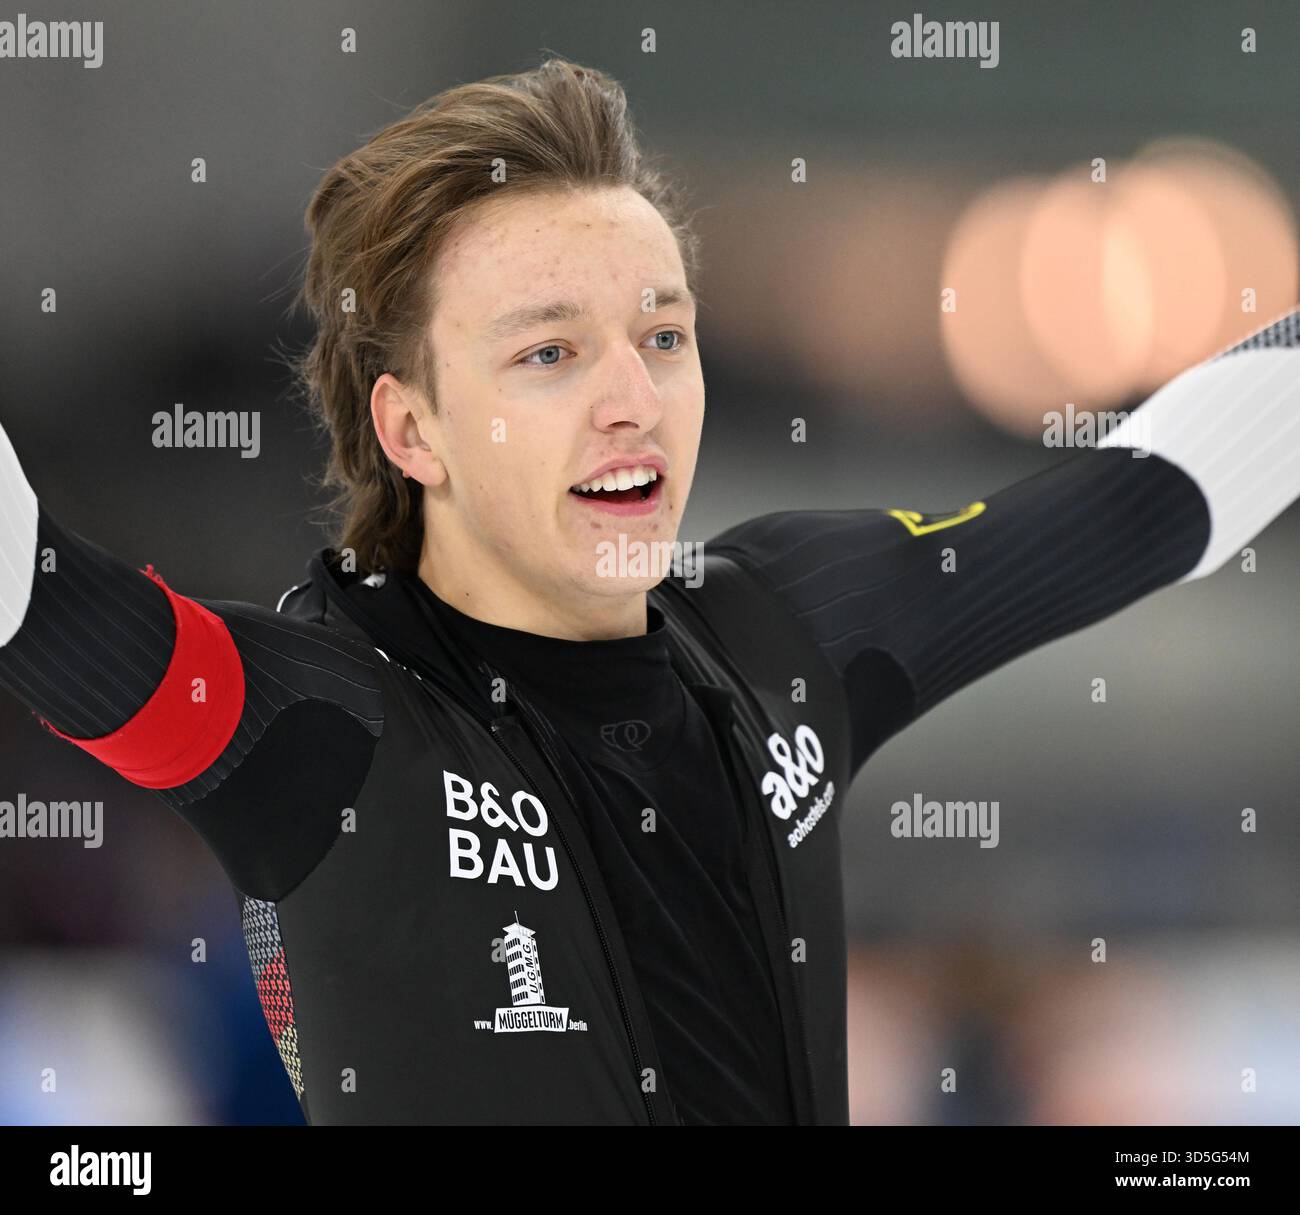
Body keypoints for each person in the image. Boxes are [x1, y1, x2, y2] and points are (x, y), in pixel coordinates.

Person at [1, 56, 1297, 1126]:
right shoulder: (324, 723)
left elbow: (1145, 498)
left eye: (663, 336)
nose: (635, 401)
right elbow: (42, 603)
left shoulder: (783, 628)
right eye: (551, 350)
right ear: (414, 431)